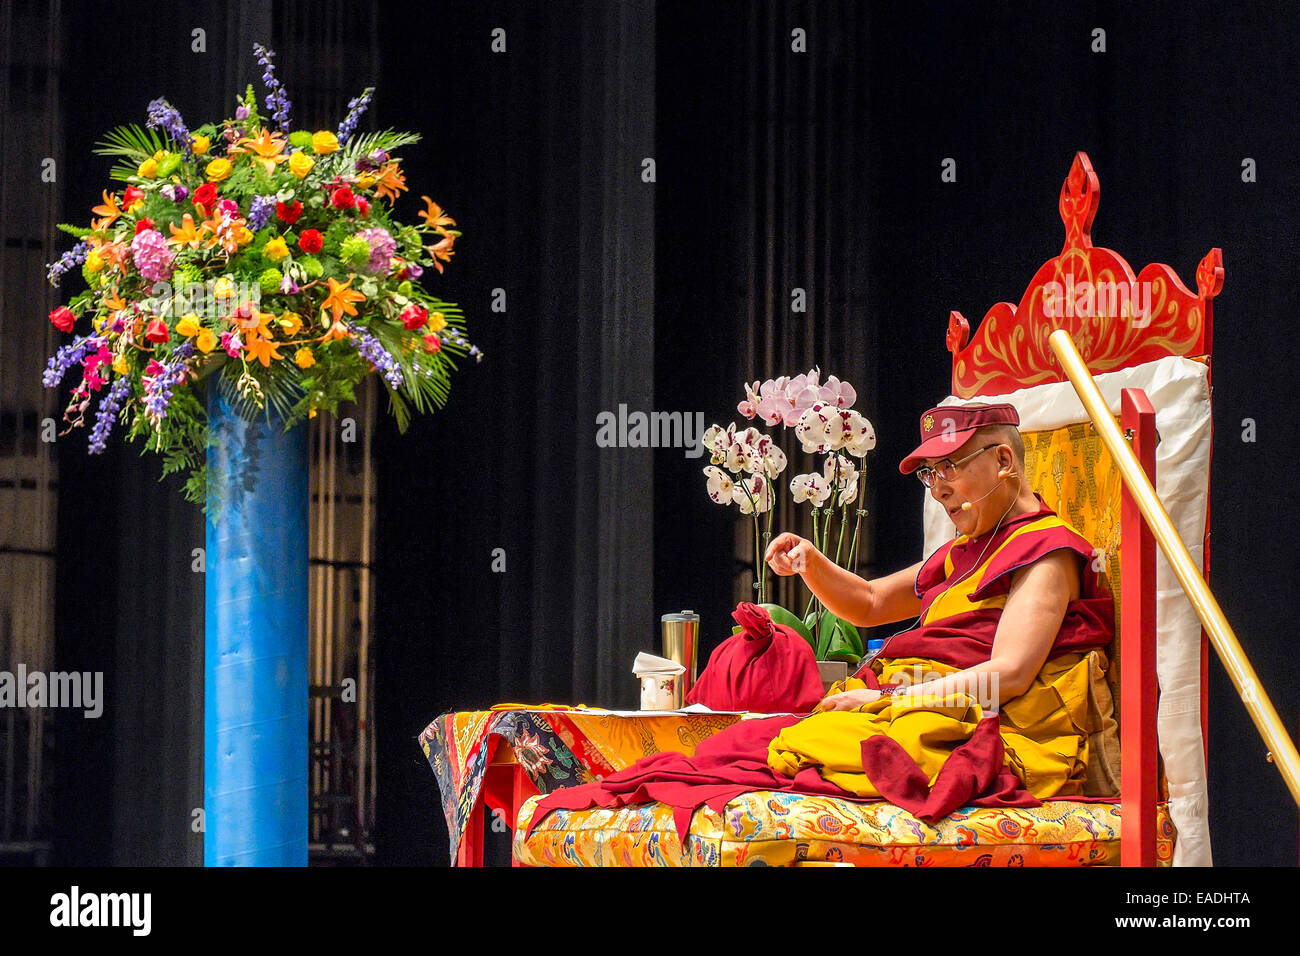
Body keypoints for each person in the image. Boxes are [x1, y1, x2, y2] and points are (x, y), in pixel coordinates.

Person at [763, 401, 1115, 801]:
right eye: (931, 475)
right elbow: (870, 602)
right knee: (778, 740)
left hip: (983, 724)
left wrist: (886, 698)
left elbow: (1010, 674)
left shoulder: (1046, 552)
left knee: (860, 751)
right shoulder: (964, 551)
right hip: (927, 703)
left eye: (950, 466)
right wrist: (812, 563)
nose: (939, 488)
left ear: (1003, 460)